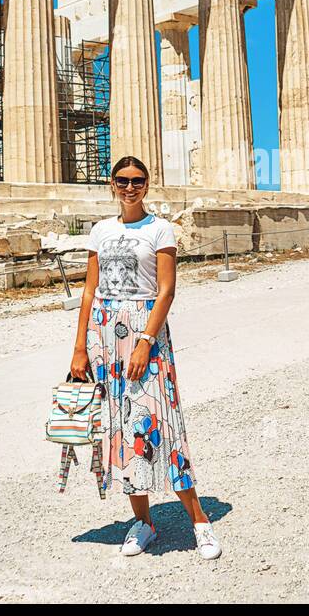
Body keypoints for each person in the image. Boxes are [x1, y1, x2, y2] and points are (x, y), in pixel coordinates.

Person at [69, 155, 221, 561]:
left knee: (162, 423)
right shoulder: (100, 230)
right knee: (120, 427)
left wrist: (145, 341)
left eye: (137, 180)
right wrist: (79, 348)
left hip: (145, 330)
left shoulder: (160, 229)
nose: (130, 187)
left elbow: (167, 289)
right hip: (104, 332)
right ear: (113, 185)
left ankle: (200, 521)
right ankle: (144, 522)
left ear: (147, 185)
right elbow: (89, 291)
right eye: (122, 180)